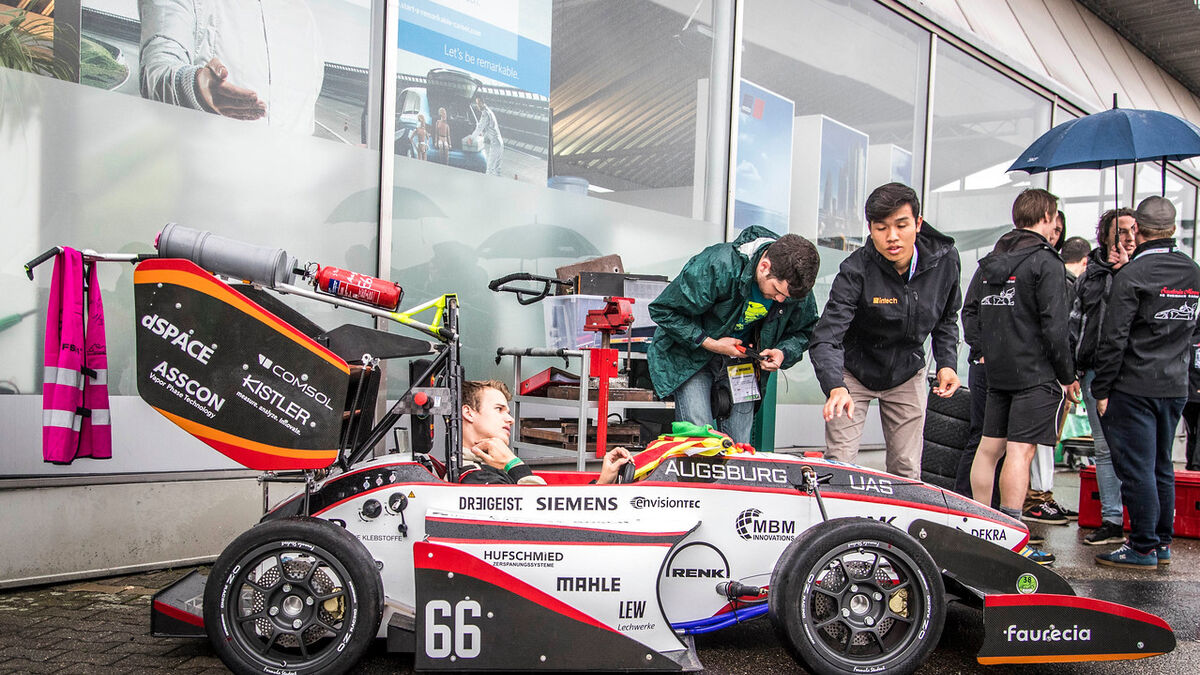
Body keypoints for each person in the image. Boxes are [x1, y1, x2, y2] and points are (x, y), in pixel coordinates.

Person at [810, 183, 962, 479]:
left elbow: (946, 318)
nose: (892, 237)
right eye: (881, 228)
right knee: (839, 464)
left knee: (906, 468)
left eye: (901, 225)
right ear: (870, 229)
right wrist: (834, 385)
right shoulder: (855, 269)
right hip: (854, 372)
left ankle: (900, 526)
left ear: (918, 224)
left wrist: (947, 364)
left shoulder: (946, 261)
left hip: (907, 371)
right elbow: (826, 337)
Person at [963, 188, 1080, 565]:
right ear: (1046, 216)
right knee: (1020, 452)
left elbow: (970, 312)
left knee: (989, 447)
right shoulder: (1046, 262)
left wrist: (982, 352)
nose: (1056, 225)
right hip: (1035, 373)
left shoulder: (991, 261)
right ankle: (1011, 540)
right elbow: (1055, 327)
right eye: (1054, 218)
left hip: (997, 372)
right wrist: (1067, 375)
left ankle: (980, 528)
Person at [1092, 196, 1200, 569]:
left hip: (1134, 385)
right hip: (1174, 385)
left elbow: (1114, 338)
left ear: (1137, 229)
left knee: (1137, 468)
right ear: (1172, 229)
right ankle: (1162, 543)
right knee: (1161, 466)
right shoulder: (1193, 271)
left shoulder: (1132, 276)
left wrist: (1101, 388)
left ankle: (1141, 546)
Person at [648, 226, 820, 444]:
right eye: (777, 291)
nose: (780, 300)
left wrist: (783, 352)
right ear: (764, 267)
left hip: (741, 363)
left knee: (740, 443)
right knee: (701, 439)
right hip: (691, 357)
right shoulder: (718, 264)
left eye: (786, 297)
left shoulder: (794, 282)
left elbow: (806, 330)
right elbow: (663, 310)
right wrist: (711, 343)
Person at [138, 0, 325, 134]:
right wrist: (196, 88)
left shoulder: (304, 16)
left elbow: (303, 120)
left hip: (287, 184)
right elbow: (156, 71)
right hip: (200, 183)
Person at [1072, 209, 1135, 545]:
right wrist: (1074, 367)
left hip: (1134, 372)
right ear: (1105, 235)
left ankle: (1140, 519)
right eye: (1119, 230)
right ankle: (1112, 519)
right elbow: (1075, 322)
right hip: (1095, 371)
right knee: (1104, 448)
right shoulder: (1091, 275)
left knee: (1136, 447)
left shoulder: (1141, 271)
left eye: (1131, 230)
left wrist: (1126, 272)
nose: (1126, 237)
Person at [459, 380, 629, 485]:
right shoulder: (476, 478)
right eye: (499, 409)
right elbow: (539, 519)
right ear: (468, 413)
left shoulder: (488, 469)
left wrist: (603, 482)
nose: (510, 419)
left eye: (508, 412)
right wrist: (514, 464)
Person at [472, 95, 504, 176]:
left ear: (483, 103)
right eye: (476, 103)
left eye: (479, 103)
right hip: (500, 142)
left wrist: (471, 138)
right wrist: (483, 136)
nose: (477, 105)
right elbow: (490, 128)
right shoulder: (489, 111)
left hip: (495, 143)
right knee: (497, 169)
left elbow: (479, 128)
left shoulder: (485, 113)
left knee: (489, 169)